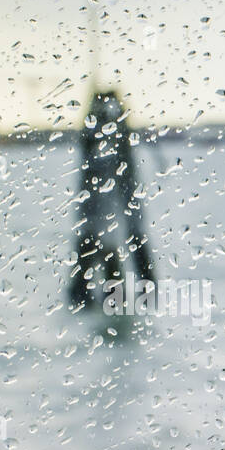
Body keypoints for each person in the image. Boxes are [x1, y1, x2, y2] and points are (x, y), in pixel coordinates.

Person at [68, 90, 153, 310]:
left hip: (100, 218)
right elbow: (90, 138)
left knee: (102, 270)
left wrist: (99, 106)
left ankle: (102, 304)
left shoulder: (113, 148)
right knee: (108, 271)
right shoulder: (101, 147)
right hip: (99, 219)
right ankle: (130, 303)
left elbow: (96, 138)